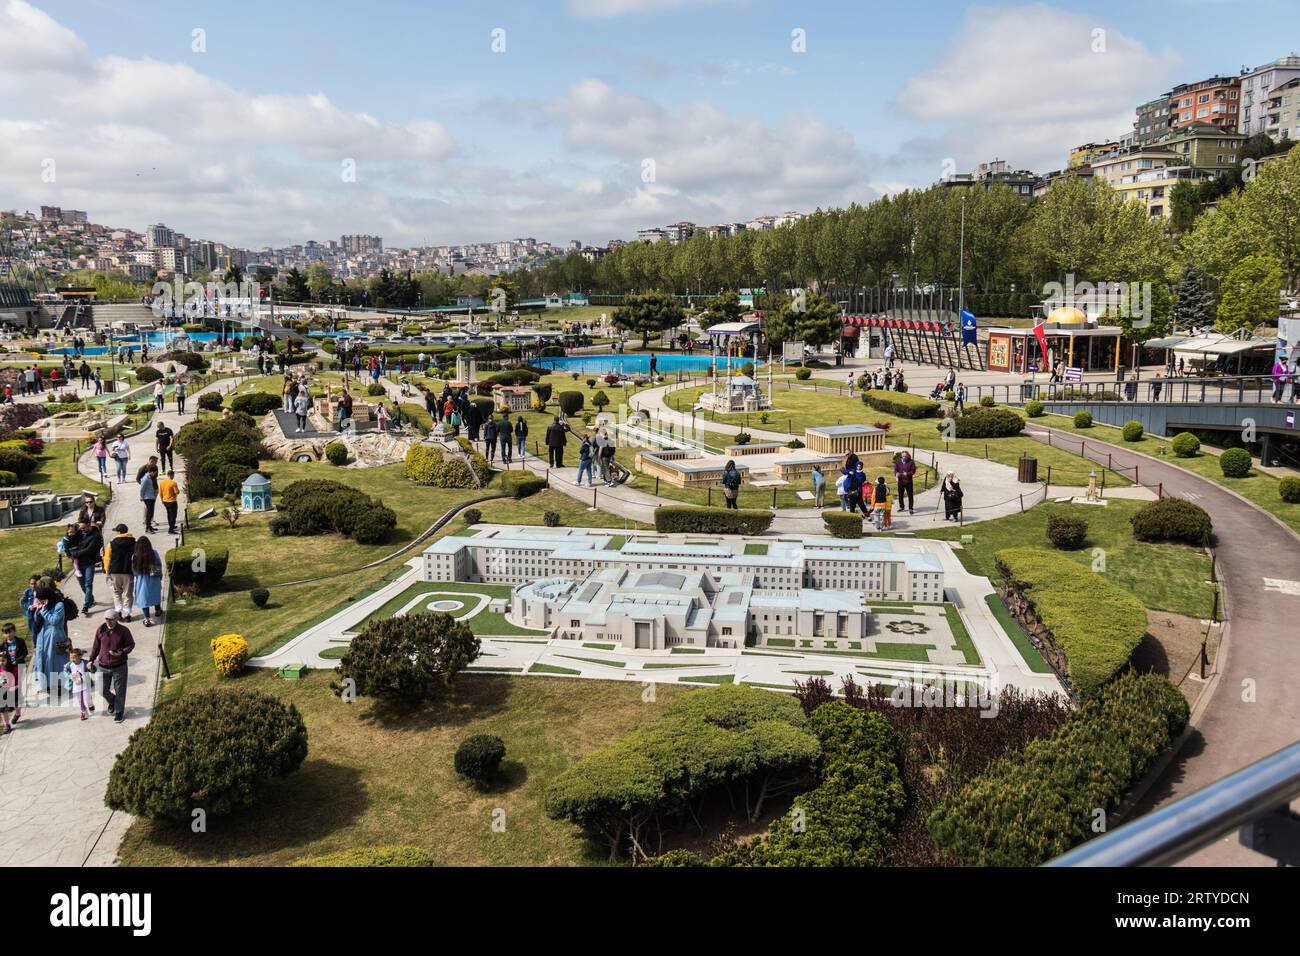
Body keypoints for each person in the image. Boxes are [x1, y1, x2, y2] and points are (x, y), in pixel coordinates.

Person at [88, 609, 134, 724]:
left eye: (111, 620)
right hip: (103, 665)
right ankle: (113, 702)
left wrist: (122, 652)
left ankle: (119, 712)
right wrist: (91, 660)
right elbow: (96, 647)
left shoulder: (124, 631)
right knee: (102, 690)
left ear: (117, 619)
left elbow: (131, 644)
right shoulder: (101, 630)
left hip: (119, 666)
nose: (108, 622)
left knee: (120, 690)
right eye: (107, 619)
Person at [31, 586, 69, 698]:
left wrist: (43, 610)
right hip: (42, 638)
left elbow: (54, 621)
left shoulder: (59, 605)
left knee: (54, 662)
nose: (40, 601)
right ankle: (46, 684)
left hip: (54, 638)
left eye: (41, 599)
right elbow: (36, 620)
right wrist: (37, 610)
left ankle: (59, 685)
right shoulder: (43, 606)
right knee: (43, 660)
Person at [69, 518, 103, 614]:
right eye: (81, 528)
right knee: (83, 585)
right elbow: (70, 541)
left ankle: (86, 605)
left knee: (88, 584)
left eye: (84, 528)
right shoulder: (79, 533)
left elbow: (89, 550)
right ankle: (91, 599)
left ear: (89, 525)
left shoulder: (95, 536)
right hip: (77, 565)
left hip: (88, 563)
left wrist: (75, 553)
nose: (82, 530)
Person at [104, 522, 137, 618]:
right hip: (128, 571)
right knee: (128, 593)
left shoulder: (111, 544)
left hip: (115, 571)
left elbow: (107, 558)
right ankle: (127, 614)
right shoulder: (134, 543)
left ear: (118, 532)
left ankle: (118, 610)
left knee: (117, 592)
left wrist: (107, 570)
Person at [1, 621, 28, 733]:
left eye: (10, 632)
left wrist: (17, 661)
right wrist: (4, 662)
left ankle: (17, 712)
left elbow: (25, 653)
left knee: (17, 692)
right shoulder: (3, 645)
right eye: (6, 633)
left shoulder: (20, 641)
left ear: (14, 631)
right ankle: (7, 724)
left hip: (18, 667)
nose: (8, 635)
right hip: (7, 669)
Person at [132, 536, 164, 627]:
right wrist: (160, 576)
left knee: (143, 599)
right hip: (153, 578)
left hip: (141, 579)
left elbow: (134, 570)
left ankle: (146, 619)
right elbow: (159, 564)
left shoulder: (135, 556)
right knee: (155, 594)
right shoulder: (154, 553)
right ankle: (158, 610)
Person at [63, 647, 93, 720]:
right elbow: (65, 671)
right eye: (71, 657)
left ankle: (90, 704)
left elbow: (93, 669)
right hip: (76, 686)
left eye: (74, 657)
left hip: (86, 685)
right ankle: (83, 712)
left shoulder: (85, 663)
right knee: (80, 701)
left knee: (87, 698)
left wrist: (91, 667)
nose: (72, 659)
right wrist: (69, 676)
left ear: (80, 656)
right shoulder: (69, 665)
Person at [894, 450, 916, 515]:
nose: (904, 457)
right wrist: (896, 474)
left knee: (910, 495)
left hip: (908, 481)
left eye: (905, 456)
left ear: (908, 456)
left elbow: (913, 471)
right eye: (903, 456)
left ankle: (911, 508)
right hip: (900, 481)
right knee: (900, 495)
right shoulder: (898, 462)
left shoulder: (911, 462)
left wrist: (907, 473)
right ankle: (901, 507)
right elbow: (895, 469)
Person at [158, 469, 180, 534]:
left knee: (169, 514)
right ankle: (171, 530)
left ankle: (171, 525)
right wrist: (178, 491)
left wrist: (162, 500)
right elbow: (177, 492)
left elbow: (160, 492)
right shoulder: (173, 483)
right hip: (172, 501)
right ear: (172, 475)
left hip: (165, 501)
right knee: (173, 515)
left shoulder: (162, 482)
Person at [139, 467, 159, 534]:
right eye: (154, 473)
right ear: (151, 472)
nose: (155, 474)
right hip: (148, 498)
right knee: (149, 513)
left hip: (151, 497)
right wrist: (141, 496)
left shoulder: (149, 478)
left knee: (151, 513)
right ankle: (147, 528)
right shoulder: (146, 479)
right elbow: (142, 488)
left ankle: (150, 526)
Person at [20, 575, 39, 642]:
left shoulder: (40, 591)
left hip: (39, 613)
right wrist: (29, 607)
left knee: (40, 629)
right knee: (33, 630)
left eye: (35, 583)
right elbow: (22, 603)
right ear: (29, 584)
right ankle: (36, 646)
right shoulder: (27, 592)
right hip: (31, 614)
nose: (33, 585)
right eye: (31, 584)